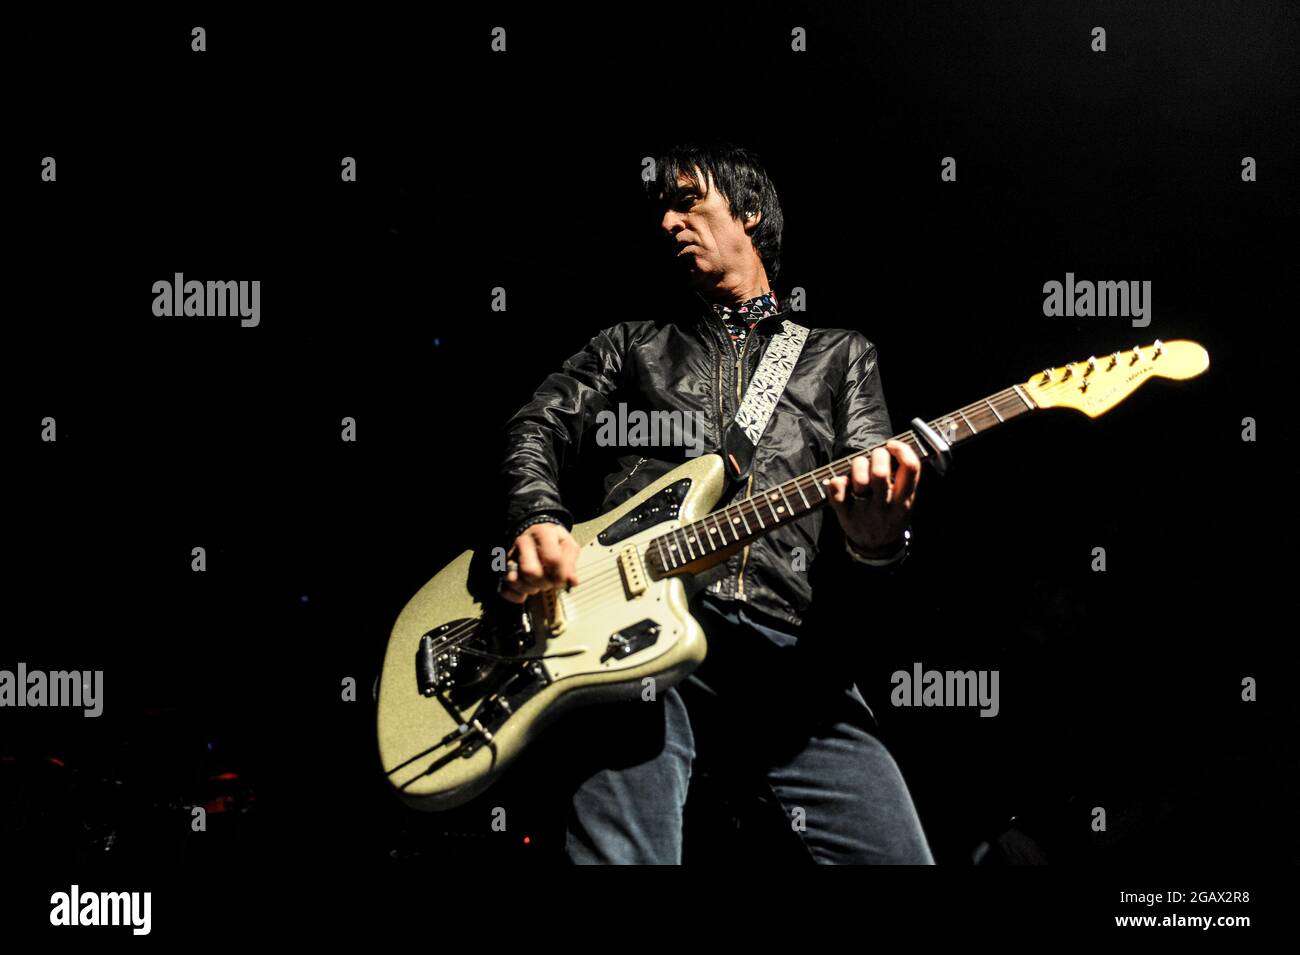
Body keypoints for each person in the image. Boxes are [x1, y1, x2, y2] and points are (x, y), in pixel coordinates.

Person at [496, 141, 934, 864]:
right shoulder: (632, 345)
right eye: (660, 211)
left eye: (687, 201)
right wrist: (538, 517)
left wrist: (877, 538)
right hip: (638, 631)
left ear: (750, 212)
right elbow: (535, 425)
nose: (668, 223)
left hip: (791, 653)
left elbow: (870, 496)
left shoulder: (838, 354)